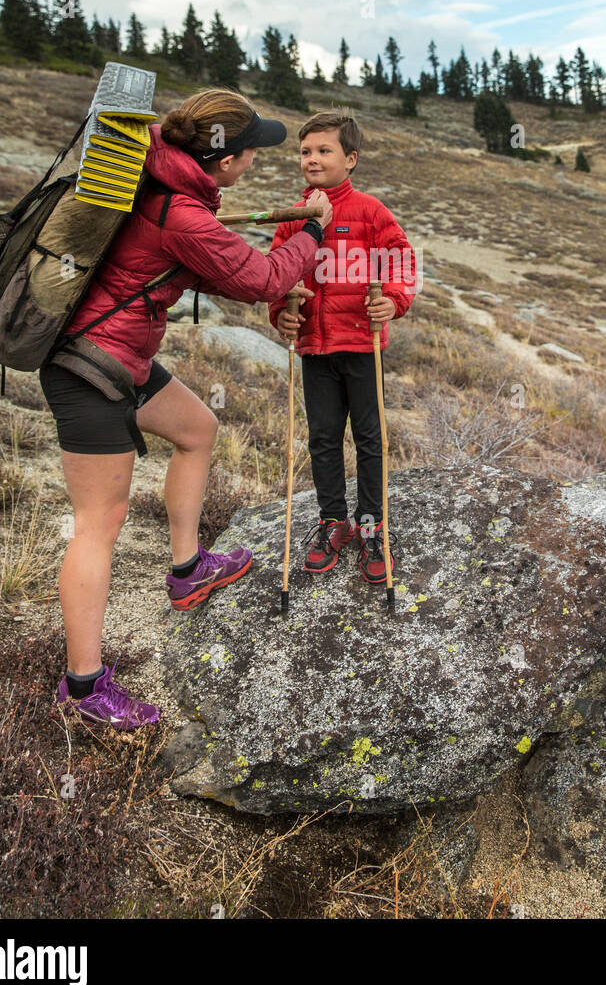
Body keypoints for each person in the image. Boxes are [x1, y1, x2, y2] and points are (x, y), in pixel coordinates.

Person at [41, 88, 333, 730]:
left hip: (120, 358)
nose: (256, 161)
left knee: (198, 427)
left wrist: (258, 268)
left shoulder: (162, 185)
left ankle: (187, 568)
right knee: (99, 522)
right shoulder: (182, 213)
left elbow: (206, 268)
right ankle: (84, 690)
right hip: (89, 368)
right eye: (252, 151)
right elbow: (259, 278)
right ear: (224, 161)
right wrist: (313, 229)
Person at [267, 111, 416, 584]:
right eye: (306, 151)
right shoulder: (294, 217)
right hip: (314, 348)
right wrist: (282, 313)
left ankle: (372, 522)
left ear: (350, 159)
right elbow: (277, 274)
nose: (312, 159)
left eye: (324, 150)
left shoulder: (371, 212)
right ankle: (334, 520)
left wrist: (392, 300)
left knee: (371, 438)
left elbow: (401, 260)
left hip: (362, 344)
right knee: (323, 437)